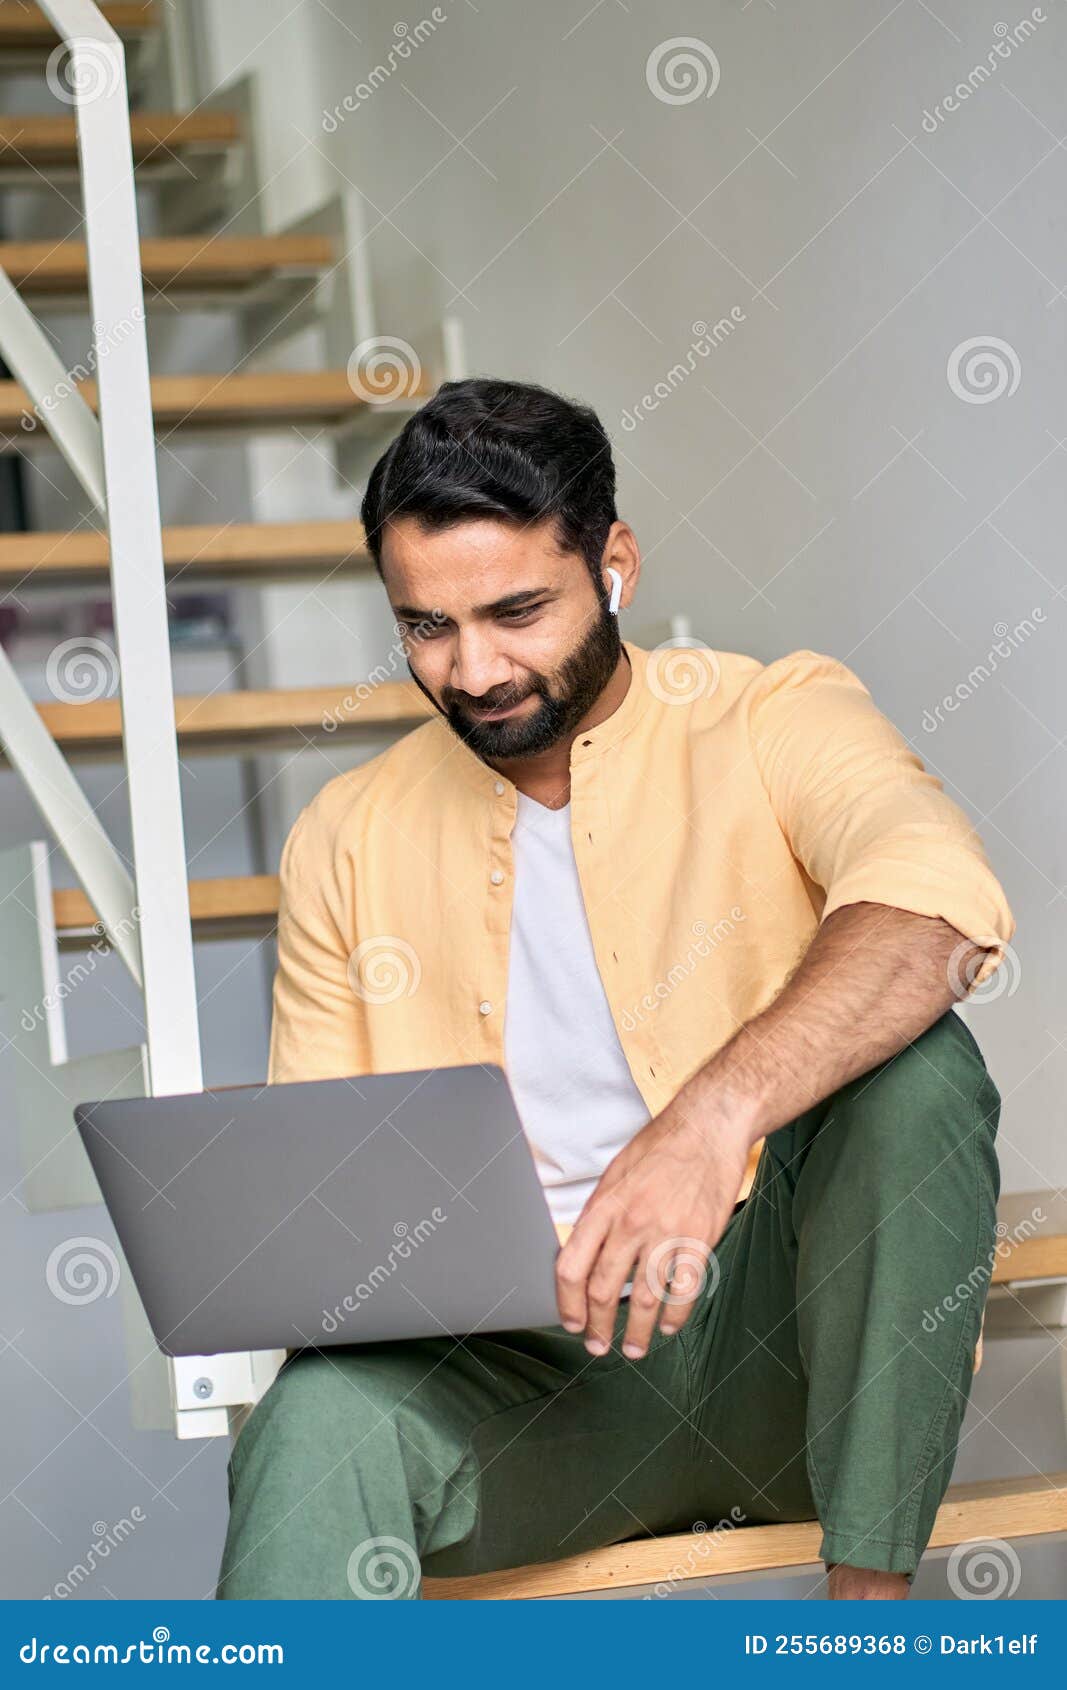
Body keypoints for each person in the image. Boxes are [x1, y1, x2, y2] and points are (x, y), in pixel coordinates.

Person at [216, 378, 1013, 1601]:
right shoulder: (346, 833)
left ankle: (869, 1627)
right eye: (426, 627)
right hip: (526, 1394)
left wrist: (707, 1121)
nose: (474, 669)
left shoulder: (771, 712)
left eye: (517, 611)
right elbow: (328, 1193)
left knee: (919, 1070)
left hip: (776, 1345)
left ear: (614, 565)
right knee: (313, 1420)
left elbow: (935, 905)